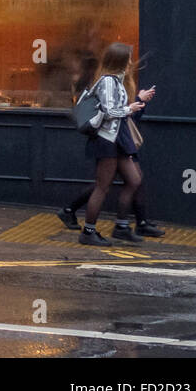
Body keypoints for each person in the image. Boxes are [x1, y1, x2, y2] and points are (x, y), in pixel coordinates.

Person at [68, 43, 156, 245]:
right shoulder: (107, 81)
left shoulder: (117, 81)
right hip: (106, 140)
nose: (131, 62)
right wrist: (129, 109)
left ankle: (122, 227)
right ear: (120, 61)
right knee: (102, 187)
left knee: (134, 179)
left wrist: (134, 102)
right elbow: (108, 112)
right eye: (128, 59)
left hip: (117, 140)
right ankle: (88, 232)